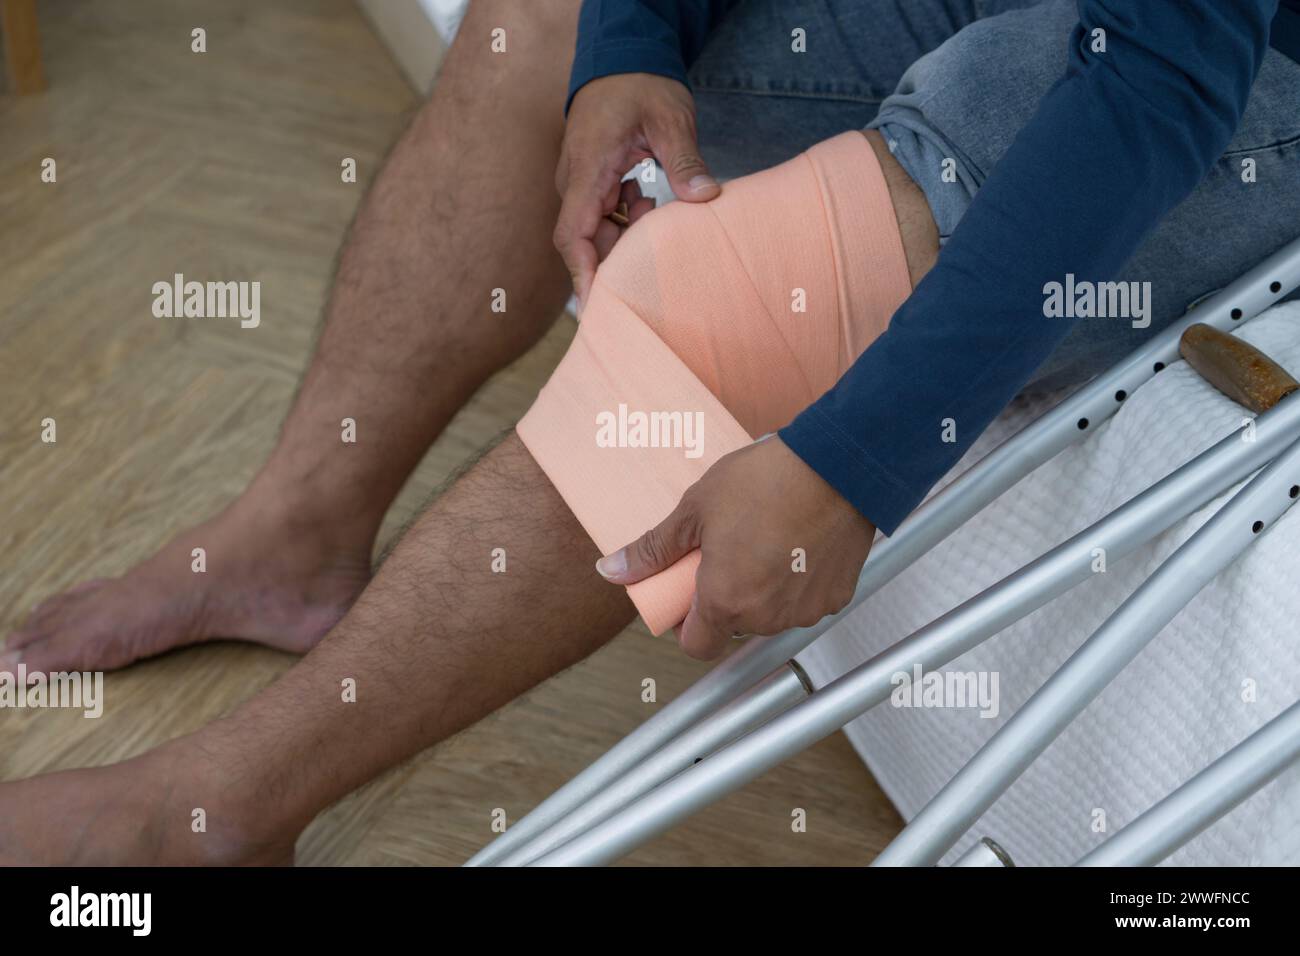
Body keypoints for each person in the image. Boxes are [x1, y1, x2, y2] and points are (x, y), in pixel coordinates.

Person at [1, 0, 1297, 863]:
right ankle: (295, 539)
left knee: (718, 298)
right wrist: (625, 38)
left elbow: (1160, 80)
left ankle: (210, 814)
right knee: (545, 20)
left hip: (1224, 58)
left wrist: (858, 463)